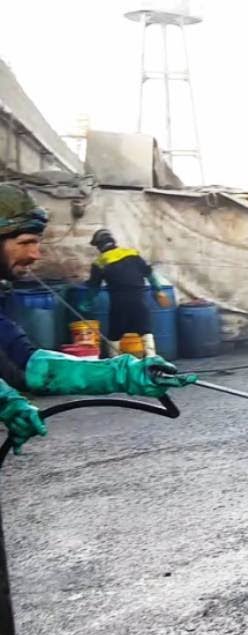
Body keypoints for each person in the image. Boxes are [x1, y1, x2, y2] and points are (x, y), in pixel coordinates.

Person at [0, 183, 195, 451]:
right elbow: (25, 365)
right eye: (25, 243)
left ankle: (144, 359)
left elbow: (18, 359)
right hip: (137, 298)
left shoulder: (106, 260)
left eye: (36, 242)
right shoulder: (128, 254)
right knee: (141, 331)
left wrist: (124, 373)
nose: (35, 254)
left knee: (127, 333)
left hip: (123, 300)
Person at [82, 228, 172, 357]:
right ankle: (152, 360)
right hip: (139, 299)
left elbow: (94, 287)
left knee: (115, 333)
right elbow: (149, 273)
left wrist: (86, 303)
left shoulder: (100, 262)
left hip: (119, 302)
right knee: (145, 330)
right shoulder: (132, 254)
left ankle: (115, 362)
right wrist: (158, 289)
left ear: (99, 246)